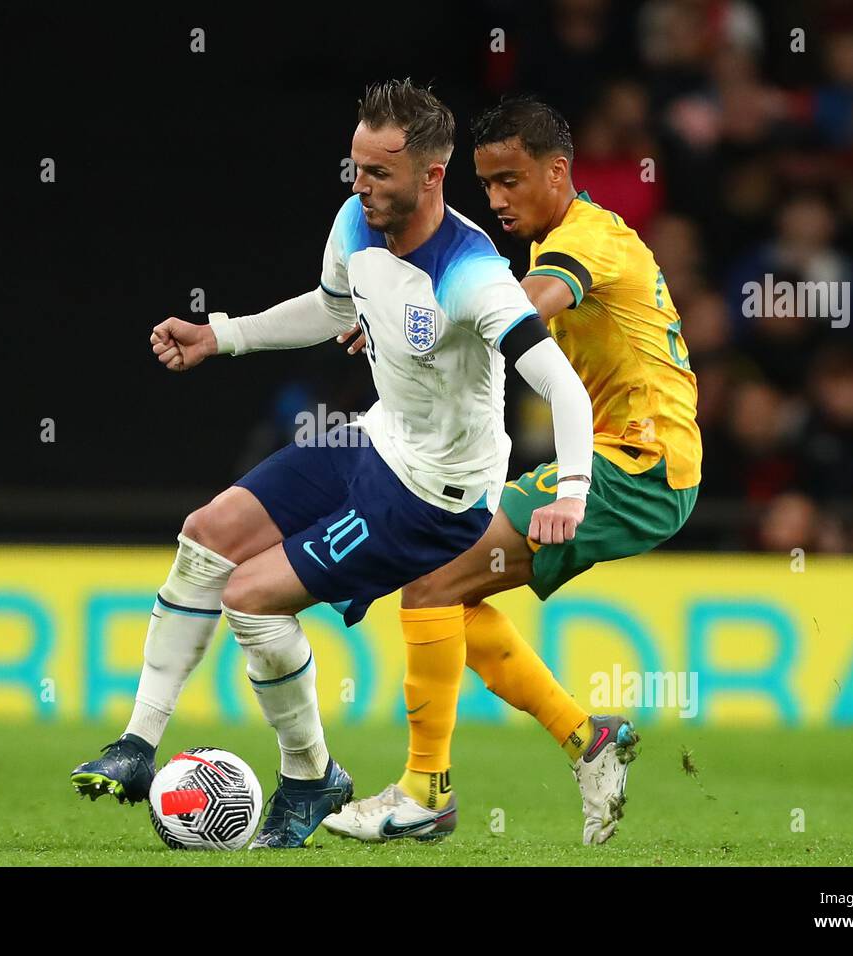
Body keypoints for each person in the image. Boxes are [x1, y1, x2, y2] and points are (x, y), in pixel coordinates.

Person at [69, 80, 597, 849]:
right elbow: (332, 307)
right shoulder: (355, 219)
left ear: (431, 177)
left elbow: (561, 386)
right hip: (373, 440)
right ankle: (138, 744)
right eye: (355, 167)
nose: (361, 186)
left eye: (379, 173)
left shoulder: (471, 273)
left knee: (249, 599)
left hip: (432, 496)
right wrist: (222, 335)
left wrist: (573, 491)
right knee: (206, 534)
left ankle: (311, 776)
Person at [324, 96, 701, 845]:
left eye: (510, 181)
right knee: (441, 597)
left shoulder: (587, 242)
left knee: (432, 583)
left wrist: (409, 319)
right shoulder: (551, 236)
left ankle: (425, 791)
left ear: (557, 172)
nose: (496, 200)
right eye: (486, 184)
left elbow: (523, 308)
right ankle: (585, 740)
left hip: (639, 464)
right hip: (623, 457)